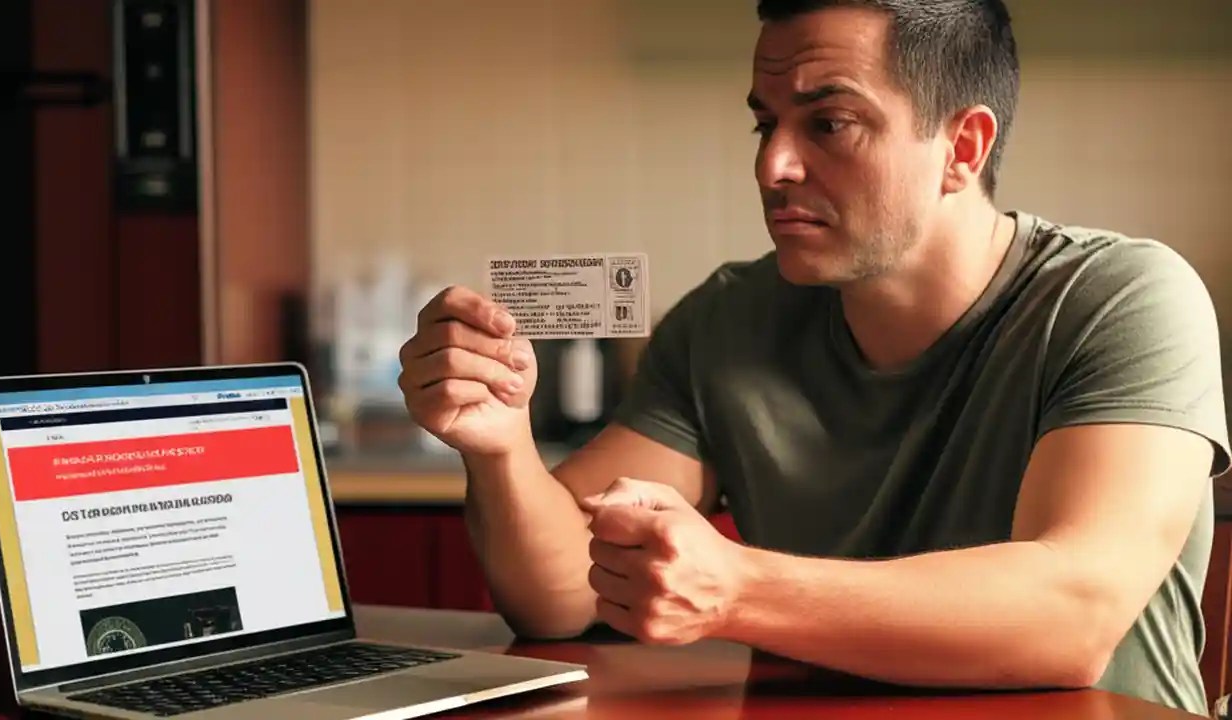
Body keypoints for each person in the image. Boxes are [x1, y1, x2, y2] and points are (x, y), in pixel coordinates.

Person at [397, 0, 1230, 714]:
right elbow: (563, 592)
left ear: (963, 147)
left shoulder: (1124, 298)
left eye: (828, 123)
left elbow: (1070, 618)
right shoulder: (727, 320)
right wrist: (501, 448)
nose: (772, 166)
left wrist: (737, 588)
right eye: (765, 123)